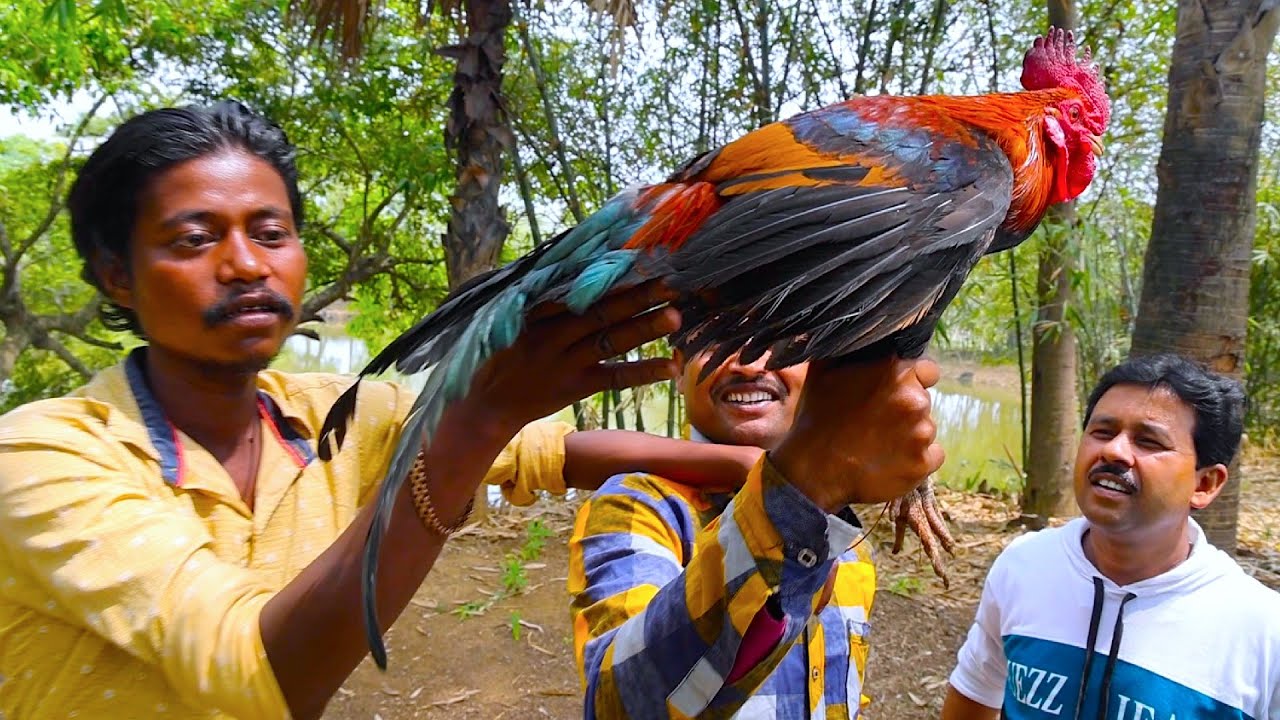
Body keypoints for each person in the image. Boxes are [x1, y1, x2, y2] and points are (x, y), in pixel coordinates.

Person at [0, 101, 762, 720]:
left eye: (271, 233)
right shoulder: (43, 458)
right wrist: (471, 424)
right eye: (194, 240)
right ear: (116, 276)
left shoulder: (326, 414)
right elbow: (261, 677)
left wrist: (762, 469)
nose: (245, 264)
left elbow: (556, 451)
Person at [568, 345, 949, 718]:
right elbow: (621, 704)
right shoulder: (641, 507)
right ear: (679, 366)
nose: (750, 363)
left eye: (781, 340)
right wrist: (803, 490)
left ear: (820, 366)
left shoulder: (846, 544)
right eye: (721, 339)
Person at [942, 353, 1280, 720]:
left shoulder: (1260, 630)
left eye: (1149, 441)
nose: (1114, 450)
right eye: (1102, 432)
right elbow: (976, 690)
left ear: (1204, 484)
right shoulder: (1025, 565)